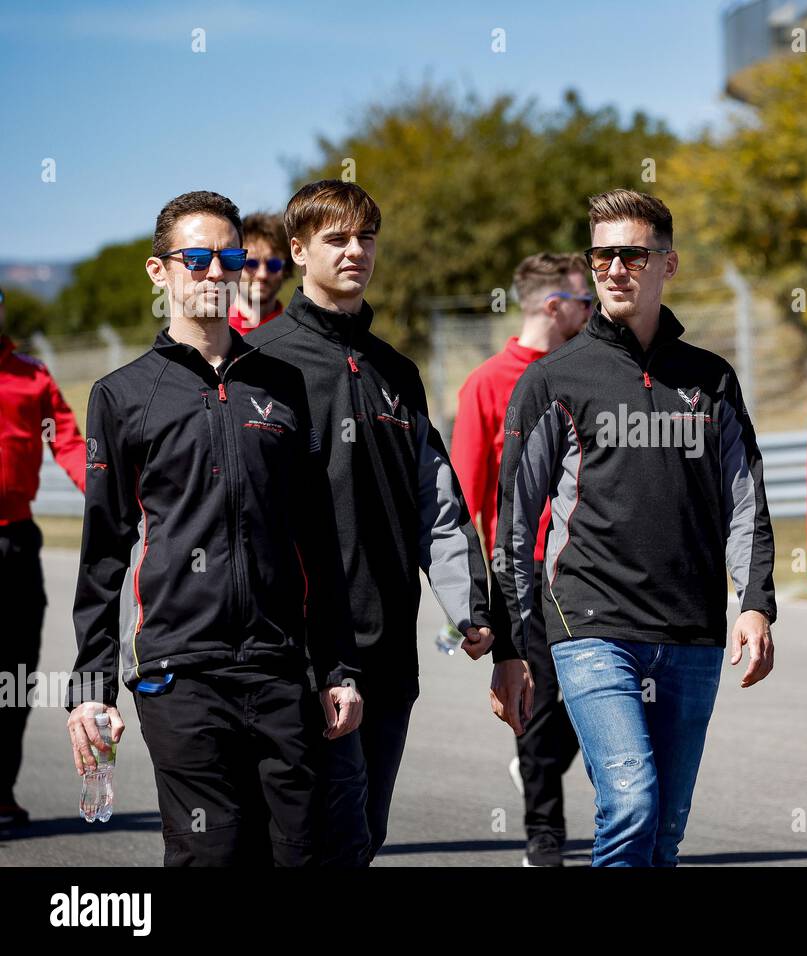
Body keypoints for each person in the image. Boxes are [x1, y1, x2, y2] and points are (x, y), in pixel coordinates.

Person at [66, 190, 362, 866]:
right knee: (213, 853)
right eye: (194, 258)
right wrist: (90, 693)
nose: (213, 272)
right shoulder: (122, 394)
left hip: (279, 667)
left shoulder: (284, 387)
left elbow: (319, 540)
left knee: (297, 853)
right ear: (158, 270)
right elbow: (104, 554)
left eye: (227, 257)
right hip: (180, 672)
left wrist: (338, 667)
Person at [494, 189, 777, 867]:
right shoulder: (553, 379)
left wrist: (757, 602)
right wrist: (511, 643)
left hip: (691, 630)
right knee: (631, 802)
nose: (614, 268)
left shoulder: (711, 379)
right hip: (590, 623)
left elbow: (746, 499)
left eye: (631, 254)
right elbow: (513, 522)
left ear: (668, 264)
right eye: (601, 255)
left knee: (665, 834)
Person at [246, 180, 494, 866]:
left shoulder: (398, 372)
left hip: (390, 649)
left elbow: (436, 504)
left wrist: (469, 606)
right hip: (299, 650)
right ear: (297, 251)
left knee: (363, 835)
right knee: (325, 836)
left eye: (366, 238)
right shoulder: (260, 365)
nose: (356, 251)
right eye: (336, 239)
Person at [451, 252, 590, 867]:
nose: (594, 311)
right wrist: (477, 596)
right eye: (584, 302)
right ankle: (545, 837)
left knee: (597, 695)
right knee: (541, 695)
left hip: (588, 570)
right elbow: (462, 497)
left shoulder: (589, 372)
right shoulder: (486, 384)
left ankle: (533, 763)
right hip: (523, 572)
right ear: (553, 306)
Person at [0, 285, 87, 830]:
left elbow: (71, 444)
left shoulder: (31, 375)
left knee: (13, 675)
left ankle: (1, 790)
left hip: (16, 543)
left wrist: (113, 501)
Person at [228, 211, 292, 333]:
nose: (262, 274)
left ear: (286, 270)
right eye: (251, 264)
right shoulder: (212, 331)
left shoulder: (295, 333)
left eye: (274, 265)